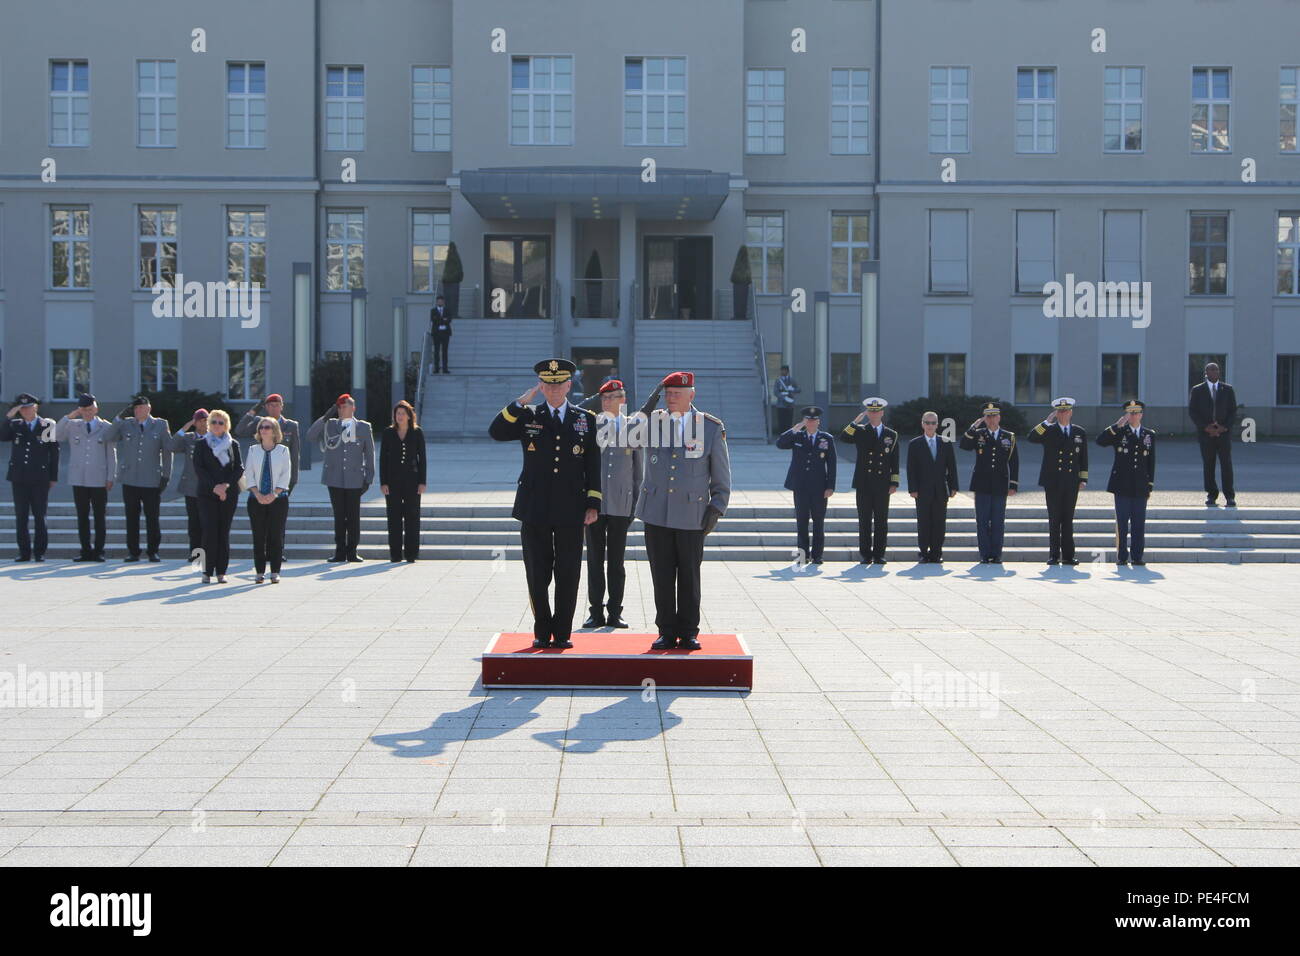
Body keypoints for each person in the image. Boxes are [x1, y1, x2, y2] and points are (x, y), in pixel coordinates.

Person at [489, 358, 601, 649]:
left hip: (570, 507)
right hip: (534, 505)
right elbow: (496, 432)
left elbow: (593, 462)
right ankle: (542, 630)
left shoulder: (585, 418)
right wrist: (519, 403)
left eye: (558, 384)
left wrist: (593, 502)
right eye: (547, 384)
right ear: (541, 386)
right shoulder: (528, 415)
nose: (553, 389)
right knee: (537, 573)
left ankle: (562, 632)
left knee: (568, 572)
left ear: (568, 385)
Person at [636, 371, 731, 651]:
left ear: (692, 394)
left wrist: (718, 504)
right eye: (666, 394)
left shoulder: (710, 427)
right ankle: (666, 630)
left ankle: (689, 630)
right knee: (661, 574)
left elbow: (721, 471)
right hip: (656, 511)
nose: (670, 398)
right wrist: (648, 404)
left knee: (689, 575)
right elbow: (623, 436)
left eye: (676, 393)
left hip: (692, 511)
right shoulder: (652, 423)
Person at [583, 379, 642, 628]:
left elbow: (639, 471)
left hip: (621, 503)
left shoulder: (633, 428)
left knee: (616, 562)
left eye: (614, 397)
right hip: (594, 505)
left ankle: (615, 611)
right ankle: (595, 611)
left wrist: (635, 505)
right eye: (605, 398)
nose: (609, 402)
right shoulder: (589, 425)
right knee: (595, 560)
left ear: (623, 400)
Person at [307, 394, 376, 562]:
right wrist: (326, 416)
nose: (341, 410)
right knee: (339, 516)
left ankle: (352, 551)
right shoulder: (330, 425)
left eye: (345, 406)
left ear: (353, 408)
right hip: (335, 478)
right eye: (339, 407)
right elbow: (310, 435)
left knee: (353, 516)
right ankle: (339, 552)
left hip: (354, 477)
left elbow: (369, 453)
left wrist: (369, 477)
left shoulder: (363, 427)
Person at [104, 395, 171, 562]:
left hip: (151, 479)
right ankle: (133, 552)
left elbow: (168, 451)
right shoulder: (126, 424)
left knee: (152, 517)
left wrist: (166, 475)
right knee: (131, 517)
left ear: (149, 409)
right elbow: (107, 437)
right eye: (135, 408)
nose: (138, 411)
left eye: (141, 408)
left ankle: (153, 551)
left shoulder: (160, 425)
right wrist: (119, 417)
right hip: (130, 478)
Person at [1027, 397, 1089, 565]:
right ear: (1056, 413)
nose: (1063, 414)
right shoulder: (1049, 430)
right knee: (1054, 518)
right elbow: (1031, 437)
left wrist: (1083, 478)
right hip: (1053, 481)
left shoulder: (1079, 432)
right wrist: (1047, 422)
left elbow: (1083, 458)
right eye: (1060, 411)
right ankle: (1054, 555)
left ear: (1071, 412)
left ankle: (1068, 555)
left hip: (1071, 481)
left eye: (1066, 411)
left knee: (1068, 518)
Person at [56, 393, 115, 562]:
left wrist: (111, 476)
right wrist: (69, 416)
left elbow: (111, 454)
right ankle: (85, 551)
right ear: (79, 410)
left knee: (99, 516)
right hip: (79, 478)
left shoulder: (106, 427)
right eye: (84, 410)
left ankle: (99, 551)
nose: (87, 413)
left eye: (90, 409)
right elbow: (53, 435)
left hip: (99, 478)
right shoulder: (73, 425)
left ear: (96, 409)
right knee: (82, 516)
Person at [959, 400, 1019, 564]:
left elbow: (1013, 462)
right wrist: (972, 428)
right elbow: (963, 445)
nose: (991, 419)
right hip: (982, 483)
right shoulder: (978, 434)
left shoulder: (1009, 437)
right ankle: (985, 554)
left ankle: (996, 554)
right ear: (984, 418)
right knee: (983, 520)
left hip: (1000, 484)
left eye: (994, 416)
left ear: (999, 417)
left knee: (998, 520)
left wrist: (1013, 484)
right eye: (988, 416)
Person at [1097, 399, 1156, 566]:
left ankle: (1137, 556)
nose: (1134, 415)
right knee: (1122, 522)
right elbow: (1100, 441)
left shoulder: (1149, 435)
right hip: (1121, 484)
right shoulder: (1120, 433)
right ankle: (1122, 556)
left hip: (1140, 485)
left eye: (1136, 412)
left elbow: (1151, 461)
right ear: (1126, 415)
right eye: (1131, 413)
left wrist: (1149, 484)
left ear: (1141, 415)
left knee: (1139, 522)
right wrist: (1116, 426)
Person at [841, 397, 899, 565]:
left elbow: (894, 460)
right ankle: (865, 554)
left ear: (882, 413)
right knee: (864, 520)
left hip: (882, 484)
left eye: (877, 411)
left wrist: (894, 482)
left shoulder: (891, 434)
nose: (874, 414)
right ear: (867, 413)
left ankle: (879, 554)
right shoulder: (860, 431)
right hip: (864, 482)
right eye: (871, 412)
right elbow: (844, 437)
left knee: (881, 520)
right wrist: (854, 422)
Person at [775, 405, 836, 564]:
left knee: (818, 522)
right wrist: (795, 429)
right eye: (808, 420)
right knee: (801, 522)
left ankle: (817, 556)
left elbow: (832, 464)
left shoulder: (826, 438)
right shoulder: (797, 436)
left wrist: (830, 486)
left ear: (818, 421)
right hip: (800, 486)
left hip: (819, 487)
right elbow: (780, 443)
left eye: (813, 420)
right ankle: (802, 556)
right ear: (804, 421)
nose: (811, 423)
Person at [1, 394, 58, 562]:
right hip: (19, 477)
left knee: (40, 516)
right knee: (21, 516)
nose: (26, 411)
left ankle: (39, 552)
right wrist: (8, 416)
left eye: (29, 408)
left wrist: (53, 476)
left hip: (40, 478)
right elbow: (2, 436)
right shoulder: (15, 425)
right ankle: (24, 552)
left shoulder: (46, 425)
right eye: (23, 409)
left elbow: (53, 453)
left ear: (36, 408)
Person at [192, 410, 243, 584]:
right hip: (207, 494)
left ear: (226, 425)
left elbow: (239, 468)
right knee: (209, 531)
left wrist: (225, 486)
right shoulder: (201, 444)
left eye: (221, 423)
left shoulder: (233, 444)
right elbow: (199, 469)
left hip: (228, 494)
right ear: (208, 424)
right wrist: (215, 487)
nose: (217, 425)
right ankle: (206, 571)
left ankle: (222, 571)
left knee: (223, 532)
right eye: (214, 422)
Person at [906, 411, 959, 563]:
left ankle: (936, 553)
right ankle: (923, 552)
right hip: (922, 490)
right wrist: (913, 489)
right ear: (922, 424)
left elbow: (952, 466)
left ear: (937, 424)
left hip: (940, 490)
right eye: (927, 423)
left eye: (933, 423)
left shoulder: (946, 442)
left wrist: (953, 485)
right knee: (924, 522)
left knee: (939, 522)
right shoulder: (915, 444)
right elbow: (911, 468)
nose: (930, 426)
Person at [243, 415, 291, 583]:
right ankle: (259, 572)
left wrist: (274, 494)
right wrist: (257, 494)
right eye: (261, 427)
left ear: (274, 431)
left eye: (267, 427)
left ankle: (275, 571)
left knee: (275, 536)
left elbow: (286, 475)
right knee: (258, 536)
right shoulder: (253, 450)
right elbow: (249, 474)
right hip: (256, 499)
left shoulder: (283, 450)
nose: (263, 430)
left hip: (278, 500)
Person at [379, 400, 426, 563]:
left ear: (409, 415)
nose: (399, 416)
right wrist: (383, 482)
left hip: (412, 481)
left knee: (412, 516)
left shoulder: (417, 432)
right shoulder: (388, 433)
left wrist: (422, 482)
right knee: (394, 517)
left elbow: (423, 459)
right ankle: (395, 554)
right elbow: (383, 459)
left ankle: (412, 553)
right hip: (392, 482)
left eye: (402, 413)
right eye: (397, 413)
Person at [1188, 362, 1237, 507]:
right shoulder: (1198, 390)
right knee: (1209, 465)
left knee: (1226, 465)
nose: (1214, 372)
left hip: (1223, 434)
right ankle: (1211, 495)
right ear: (1206, 373)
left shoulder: (1227, 389)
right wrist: (1205, 427)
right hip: (1206, 434)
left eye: (1216, 369)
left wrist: (1224, 427)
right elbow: (1193, 411)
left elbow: (1233, 411)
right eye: (1210, 369)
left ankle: (1229, 496)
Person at [234, 393, 300, 493]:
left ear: (282, 407)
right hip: (261, 475)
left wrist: (293, 479)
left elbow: (294, 454)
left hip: (281, 476)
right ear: (265, 407)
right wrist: (254, 411)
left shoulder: (291, 426)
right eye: (270, 405)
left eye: (277, 405)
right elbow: (239, 431)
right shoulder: (259, 423)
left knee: (279, 507)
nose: (274, 408)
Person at [168, 409, 209, 560]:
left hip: (209, 487)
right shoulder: (188, 438)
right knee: (194, 523)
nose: (203, 423)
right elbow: (171, 446)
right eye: (199, 420)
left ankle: (208, 551)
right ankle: (196, 553)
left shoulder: (214, 437)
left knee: (208, 521)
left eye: (205, 420)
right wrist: (185, 428)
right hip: (191, 487)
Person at [773, 366, 800, 434]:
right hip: (781, 404)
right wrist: (783, 397)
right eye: (782, 370)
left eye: (784, 370)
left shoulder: (792, 380)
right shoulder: (778, 381)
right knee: (781, 422)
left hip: (790, 404)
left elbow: (799, 389)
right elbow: (775, 392)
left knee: (789, 422)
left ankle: (789, 436)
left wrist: (793, 389)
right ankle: (782, 436)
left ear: (788, 371)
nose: (783, 372)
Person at [430, 295, 452, 373]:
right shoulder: (433, 310)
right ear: (436, 302)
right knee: (436, 351)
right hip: (436, 333)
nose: (440, 302)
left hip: (445, 333)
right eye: (438, 301)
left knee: (445, 351)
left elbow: (449, 320)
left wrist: (440, 320)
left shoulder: (447, 310)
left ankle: (445, 368)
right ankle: (436, 368)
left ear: (443, 302)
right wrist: (443, 319)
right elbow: (433, 320)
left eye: (441, 301)